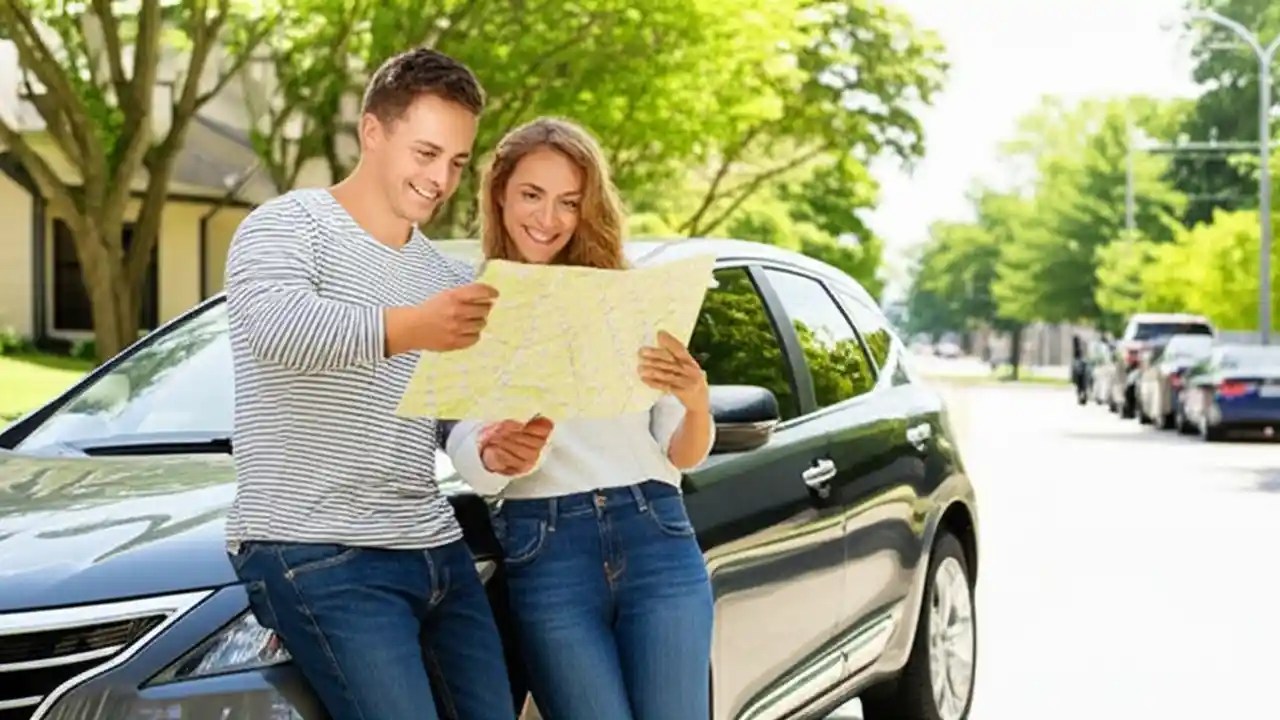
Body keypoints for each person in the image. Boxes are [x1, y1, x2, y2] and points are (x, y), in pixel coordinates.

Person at [222, 48, 553, 720]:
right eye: (426, 153)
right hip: (318, 548)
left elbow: (447, 419)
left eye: (457, 163)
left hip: (435, 549)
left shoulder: (441, 277)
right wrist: (412, 327)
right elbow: (278, 329)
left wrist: (490, 450)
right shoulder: (287, 226)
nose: (441, 179)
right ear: (372, 131)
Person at [445, 117, 717, 720]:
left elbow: (680, 452)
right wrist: (496, 453)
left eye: (569, 202)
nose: (548, 218)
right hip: (547, 547)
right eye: (532, 196)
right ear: (499, 195)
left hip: (656, 536)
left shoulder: (632, 295)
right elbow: (469, 450)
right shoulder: (470, 308)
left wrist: (697, 400)